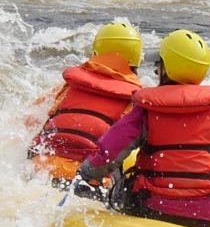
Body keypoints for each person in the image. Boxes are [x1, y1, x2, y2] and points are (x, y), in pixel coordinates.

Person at [79, 30, 210, 227]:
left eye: (159, 66)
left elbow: (109, 153)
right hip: (206, 214)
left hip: (151, 208)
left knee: (119, 190)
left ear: (166, 69)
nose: (157, 71)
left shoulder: (146, 110)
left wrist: (86, 173)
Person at [29, 20, 144, 178]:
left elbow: (28, 119)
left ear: (96, 51)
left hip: (40, 169)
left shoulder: (67, 87)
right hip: (87, 180)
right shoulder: (135, 102)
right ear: (137, 58)